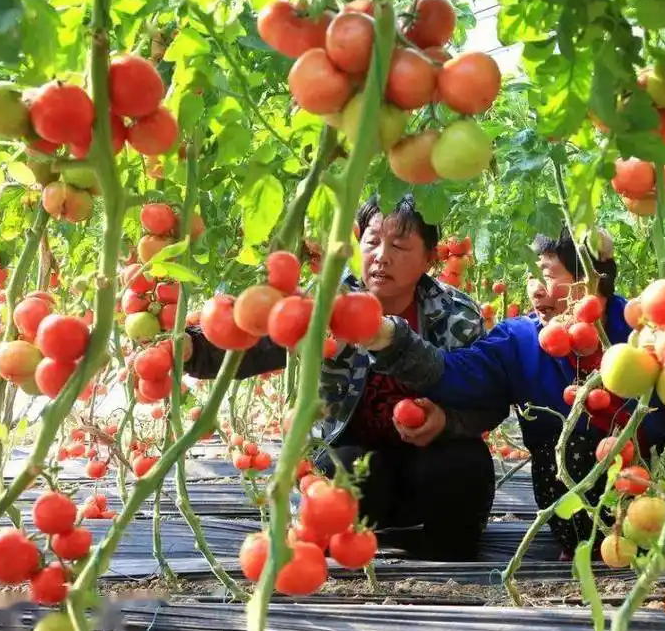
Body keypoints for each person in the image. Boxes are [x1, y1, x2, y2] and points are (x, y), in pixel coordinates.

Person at [361, 226, 665, 558]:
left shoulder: (643, 331)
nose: (536, 290)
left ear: (593, 283)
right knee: (575, 447)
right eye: (535, 274)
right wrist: (388, 338)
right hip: (585, 499)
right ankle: (600, 546)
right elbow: (453, 374)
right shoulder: (518, 342)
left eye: (549, 274)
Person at [183, 195, 505, 561]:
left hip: (432, 466)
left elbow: (489, 399)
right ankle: (359, 532)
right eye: (371, 242)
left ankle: (443, 548)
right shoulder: (326, 302)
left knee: (464, 464)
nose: (381, 256)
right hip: (352, 459)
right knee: (350, 470)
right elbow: (254, 341)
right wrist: (192, 350)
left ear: (429, 257)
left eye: (399, 245)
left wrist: (447, 421)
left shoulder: (456, 316)